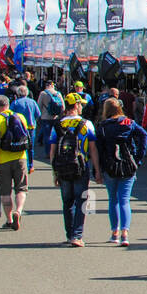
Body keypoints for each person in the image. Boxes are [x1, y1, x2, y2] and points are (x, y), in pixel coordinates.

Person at [50, 96, 101, 247]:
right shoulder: (86, 124)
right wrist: (97, 170)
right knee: (81, 201)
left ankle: (69, 233)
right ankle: (77, 236)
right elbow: (93, 149)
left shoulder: (58, 124)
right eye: (81, 105)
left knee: (67, 201)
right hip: (80, 166)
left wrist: (55, 172)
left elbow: (52, 151)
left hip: (62, 167)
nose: (82, 107)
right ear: (77, 105)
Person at [98, 98, 147, 247]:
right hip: (127, 164)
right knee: (124, 200)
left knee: (112, 199)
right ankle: (125, 233)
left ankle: (114, 232)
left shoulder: (103, 126)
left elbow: (99, 148)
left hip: (110, 165)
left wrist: (98, 168)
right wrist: (138, 157)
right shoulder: (128, 123)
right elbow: (144, 135)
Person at [0, 94, 30, 230]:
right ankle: (19, 210)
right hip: (21, 157)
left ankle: (9, 219)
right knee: (21, 188)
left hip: (4, 159)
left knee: (5, 192)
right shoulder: (20, 117)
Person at [9, 85, 41, 176]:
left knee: (22, 146)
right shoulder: (33, 102)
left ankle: (23, 164)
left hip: (20, 128)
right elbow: (38, 114)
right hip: (31, 127)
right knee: (31, 147)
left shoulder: (15, 103)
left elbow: (11, 115)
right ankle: (30, 165)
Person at [36, 78, 63, 152]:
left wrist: (39, 116)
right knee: (56, 134)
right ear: (52, 85)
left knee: (47, 135)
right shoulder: (58, 93)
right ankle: (56, 151)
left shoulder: (43, 93)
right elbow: (63, 107)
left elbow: (39, 106)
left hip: (45, 117)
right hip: (56, 117)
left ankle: (48, 152)